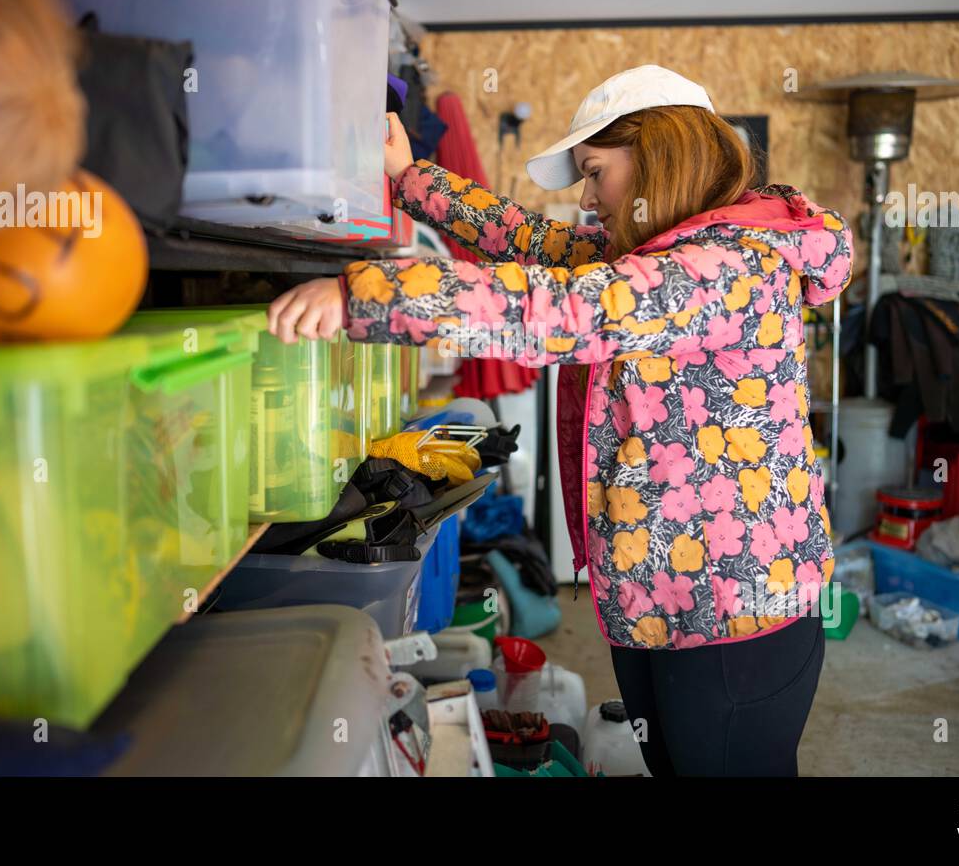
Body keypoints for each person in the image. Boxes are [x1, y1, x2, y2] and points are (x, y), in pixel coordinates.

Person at [267, 64, 853, 776]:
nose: (586, 196)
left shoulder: (728, 265)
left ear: (658, 156)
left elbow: (562, 312)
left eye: (594, 171)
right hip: (665, 600)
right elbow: (529, 242)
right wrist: (410, 176)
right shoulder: (653, 255)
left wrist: (365, 293)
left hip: (732, 616)